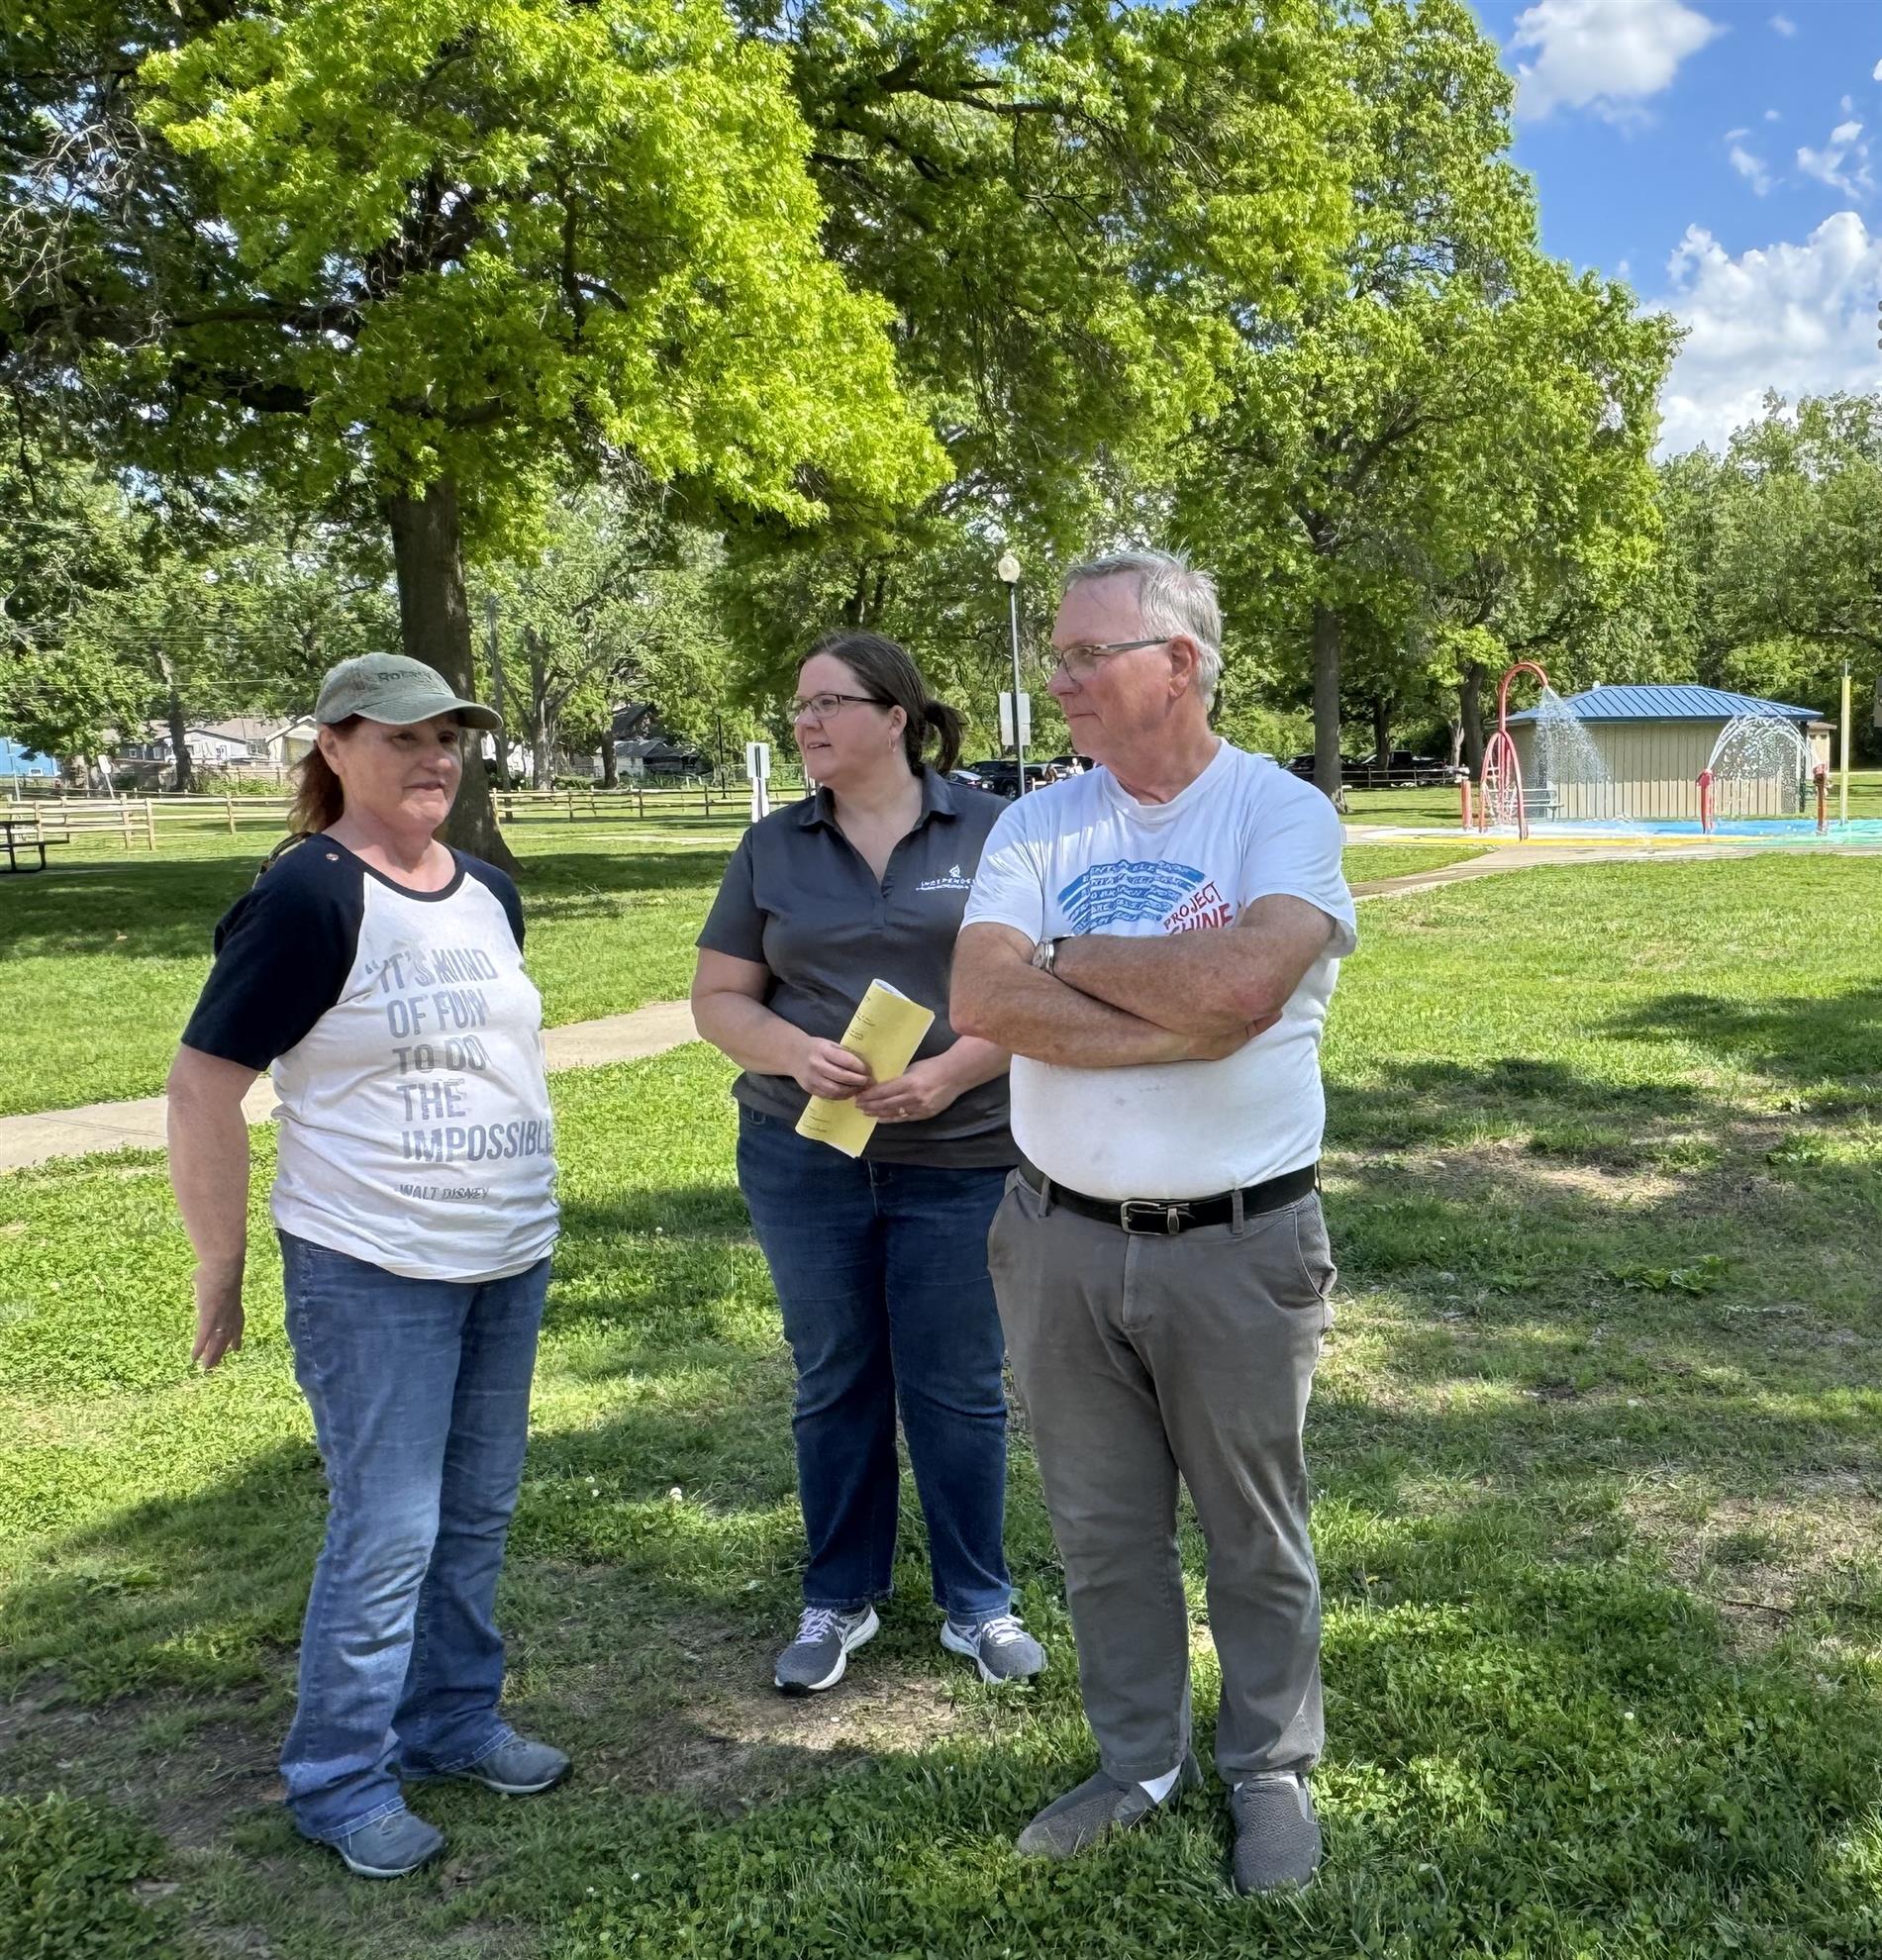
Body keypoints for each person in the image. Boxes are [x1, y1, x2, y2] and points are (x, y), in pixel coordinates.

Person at [951, 550, 1356, 1895]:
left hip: (1241, 1245)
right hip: (1057, 1238)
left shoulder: (1278, 813)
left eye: (1082, 656)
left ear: (1176, 663)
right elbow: (983, 1003)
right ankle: (1138, 1759)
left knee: (1254, 1530)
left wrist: (1062, 964)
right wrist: (1159, 1016)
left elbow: (1246, 985)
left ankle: (1269, 1769)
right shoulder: (1035, 828)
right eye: (1056, 655)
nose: (1052, 679)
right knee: (1101, 1529)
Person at [166, 654, 566, 1881]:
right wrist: (220, 1264)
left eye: (449, 736)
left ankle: (449, 1720)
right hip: (373, 1263)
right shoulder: (307, 896)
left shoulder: (487, 891)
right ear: (334, 747)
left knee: (478, 1511)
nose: (432, 756)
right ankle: (340, 1778)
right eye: (400, 736)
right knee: (388, 1527)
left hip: (506, 1254)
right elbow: (204, 1085)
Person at [691, 631, 1045, 1697]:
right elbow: (718, 1000)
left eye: (826, 703)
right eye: (795, 706)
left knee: (956, 1384)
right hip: (806, 1161)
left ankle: (977, 1604)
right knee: (834, 1372)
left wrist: (949, 1075)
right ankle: (837, 1598)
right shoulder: (771, 846)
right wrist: (794, 1054)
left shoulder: (995, 831)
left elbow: (1051, 990)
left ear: (894, 717)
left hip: (963, 1151)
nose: (802, 723)